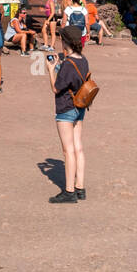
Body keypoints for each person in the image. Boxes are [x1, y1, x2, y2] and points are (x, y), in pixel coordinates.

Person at [48, 26, 90, 203]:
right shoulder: (83, 60)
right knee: (78, 147)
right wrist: (60, 65)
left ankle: (69, 191)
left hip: (66, 108)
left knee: (68, 150)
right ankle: (80, 187)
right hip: (80, 106)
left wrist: (51, 69)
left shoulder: (67, 64)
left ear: (66, 42)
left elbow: (56, 88)